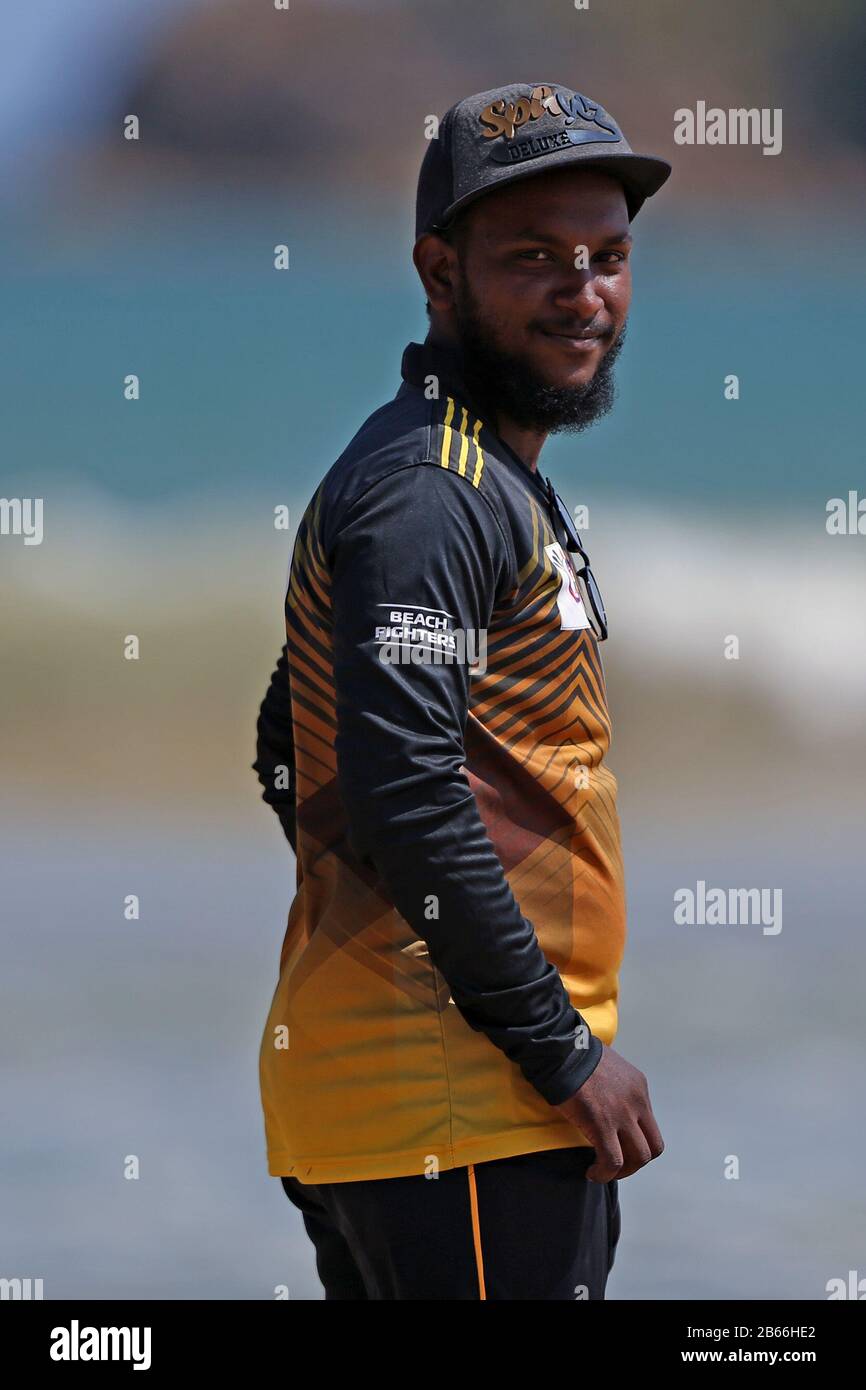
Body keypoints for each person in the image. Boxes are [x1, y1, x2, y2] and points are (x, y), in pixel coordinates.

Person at [253, 81, 670, 1300]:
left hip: (435, 1103)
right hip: (459, 1110)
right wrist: (555, 1052)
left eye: (606, 255)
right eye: (532, 257)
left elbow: (291, 742)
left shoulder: (478, 473)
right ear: (439, 272)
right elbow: (402, 790)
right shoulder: (432, 489)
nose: (581, 290)